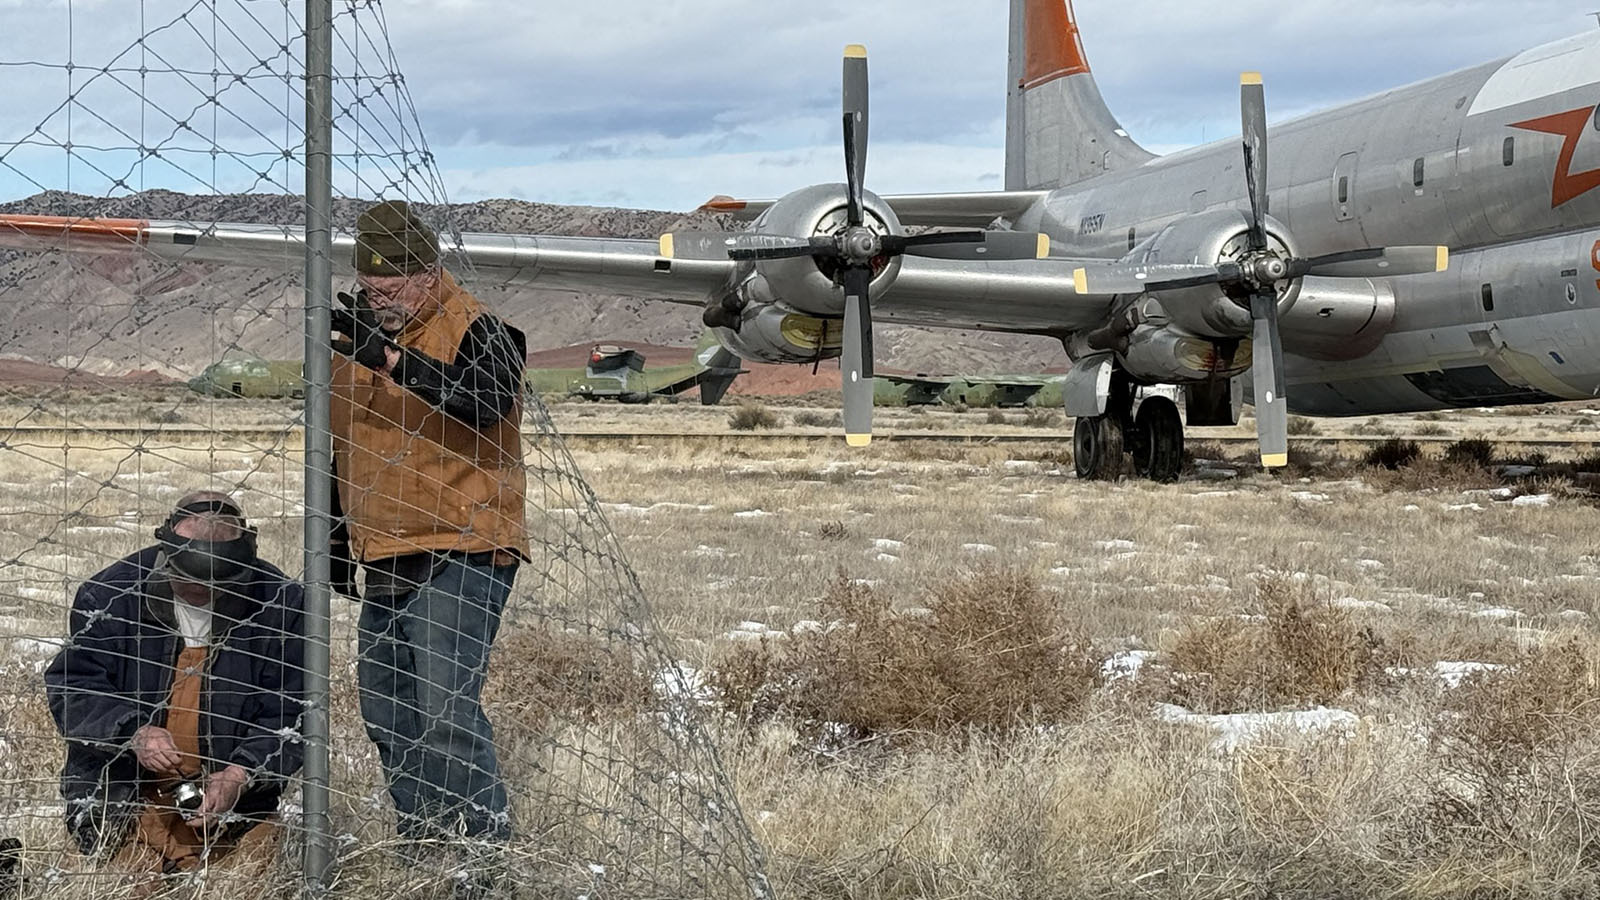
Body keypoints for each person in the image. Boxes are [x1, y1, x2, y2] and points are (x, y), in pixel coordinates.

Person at [328, 199, 528, 850]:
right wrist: (337, 538)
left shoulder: (481, 328)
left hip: (461, 547)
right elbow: (347, 443)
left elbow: (487, 402)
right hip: (384, 549)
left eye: (389, 290)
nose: (378, 301)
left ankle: (482, 863)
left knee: (447, 715)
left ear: (426, 273)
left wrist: (391, 362)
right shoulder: (356, 342)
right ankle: (427, 852)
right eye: (368, 290)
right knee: (388, 714)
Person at [42, 492, 305, 893]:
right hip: (122, 799)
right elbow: (73, 686)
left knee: (239, 889)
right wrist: (135, 734)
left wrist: (240, 775)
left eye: (217, 583)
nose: (202, 591)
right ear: (166, 552)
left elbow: (292, 709)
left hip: (236, 810)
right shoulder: (110, 594)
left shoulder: (280, 602)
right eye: (190, 580)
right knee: (128, 887)